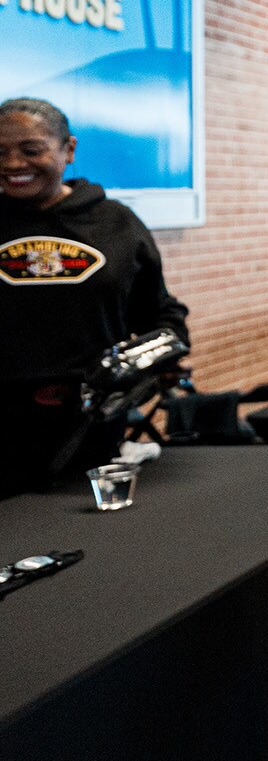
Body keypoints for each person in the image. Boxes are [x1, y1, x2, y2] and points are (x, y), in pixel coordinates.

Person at [0, 97, 189, 496]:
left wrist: (149, 358)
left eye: (30, 150)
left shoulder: (116, 224)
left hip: (88, 429)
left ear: (68, 149)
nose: (14, 164)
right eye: (0, 152)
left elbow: (162, 316)